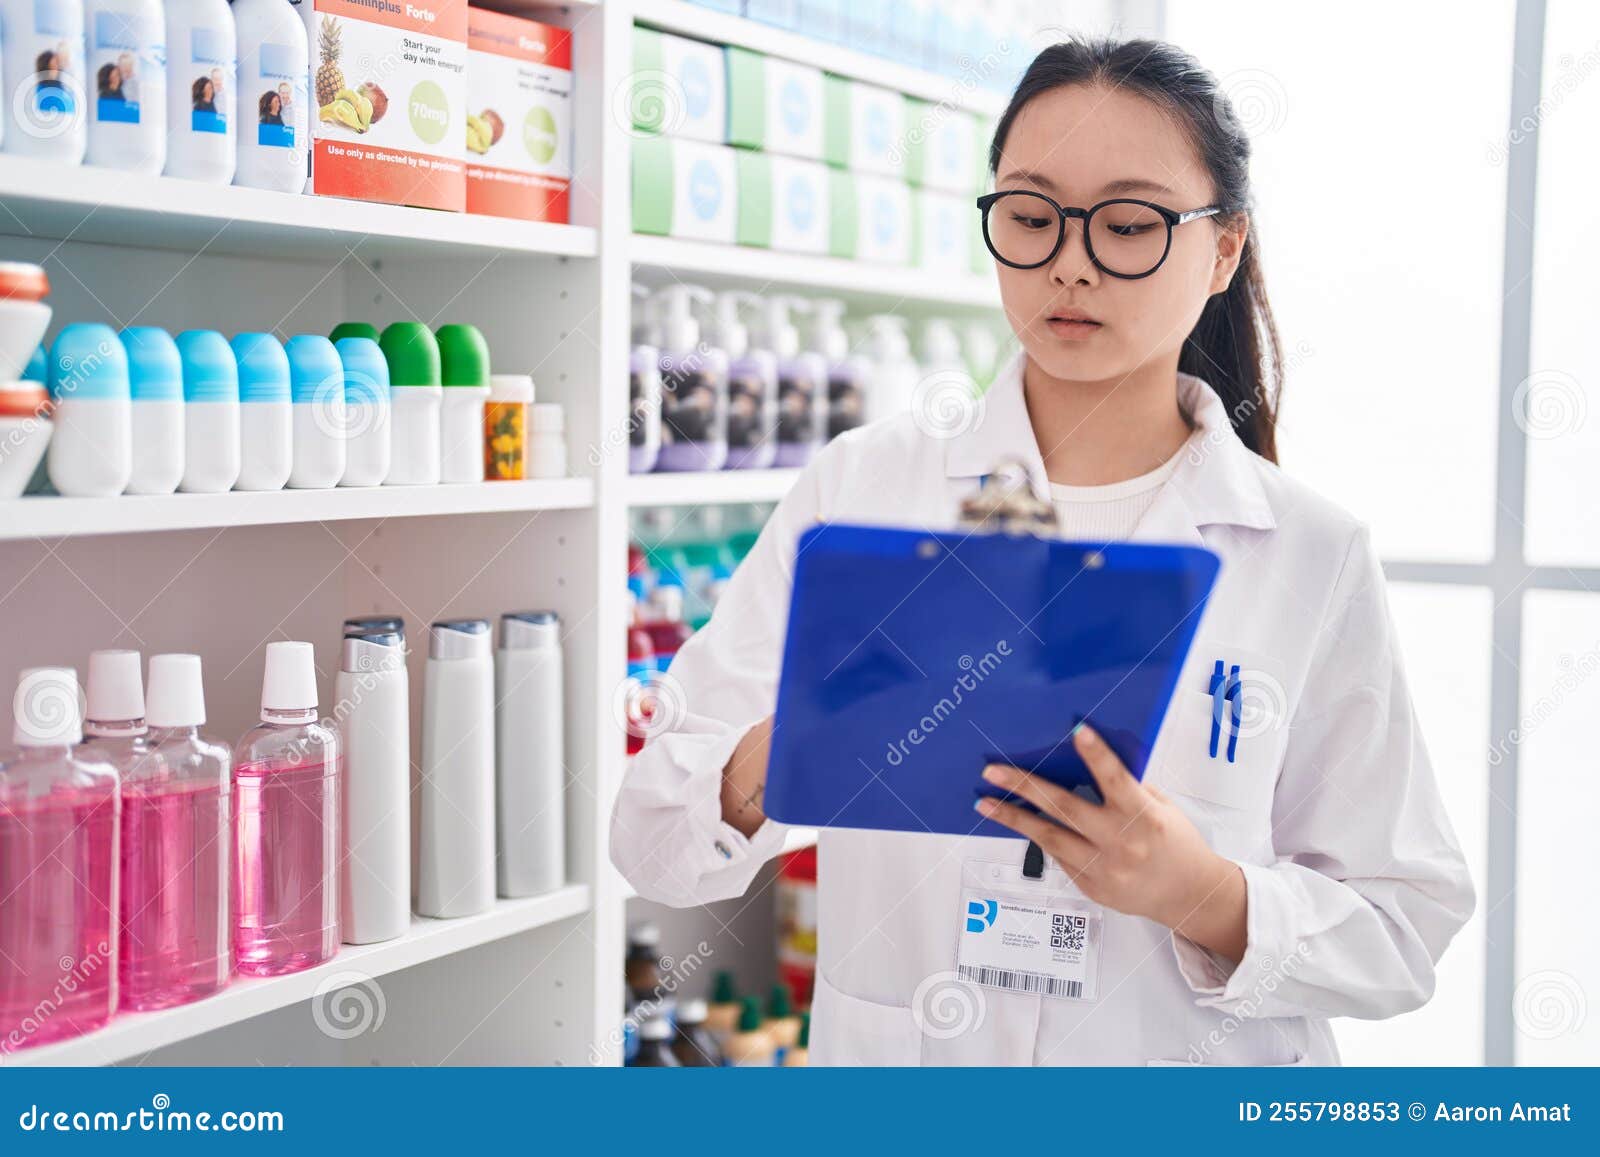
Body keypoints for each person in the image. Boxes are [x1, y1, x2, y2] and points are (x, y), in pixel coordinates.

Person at [611, 36, 1477, 1067]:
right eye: (1029, 215)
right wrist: (788, 748)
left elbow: (1406, 923)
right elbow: (653, 841)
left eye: (1126, 223)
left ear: (1223, 247)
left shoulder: (1308, 553)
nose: (1069, 262)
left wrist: (1200, 890)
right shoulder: (861, 490)